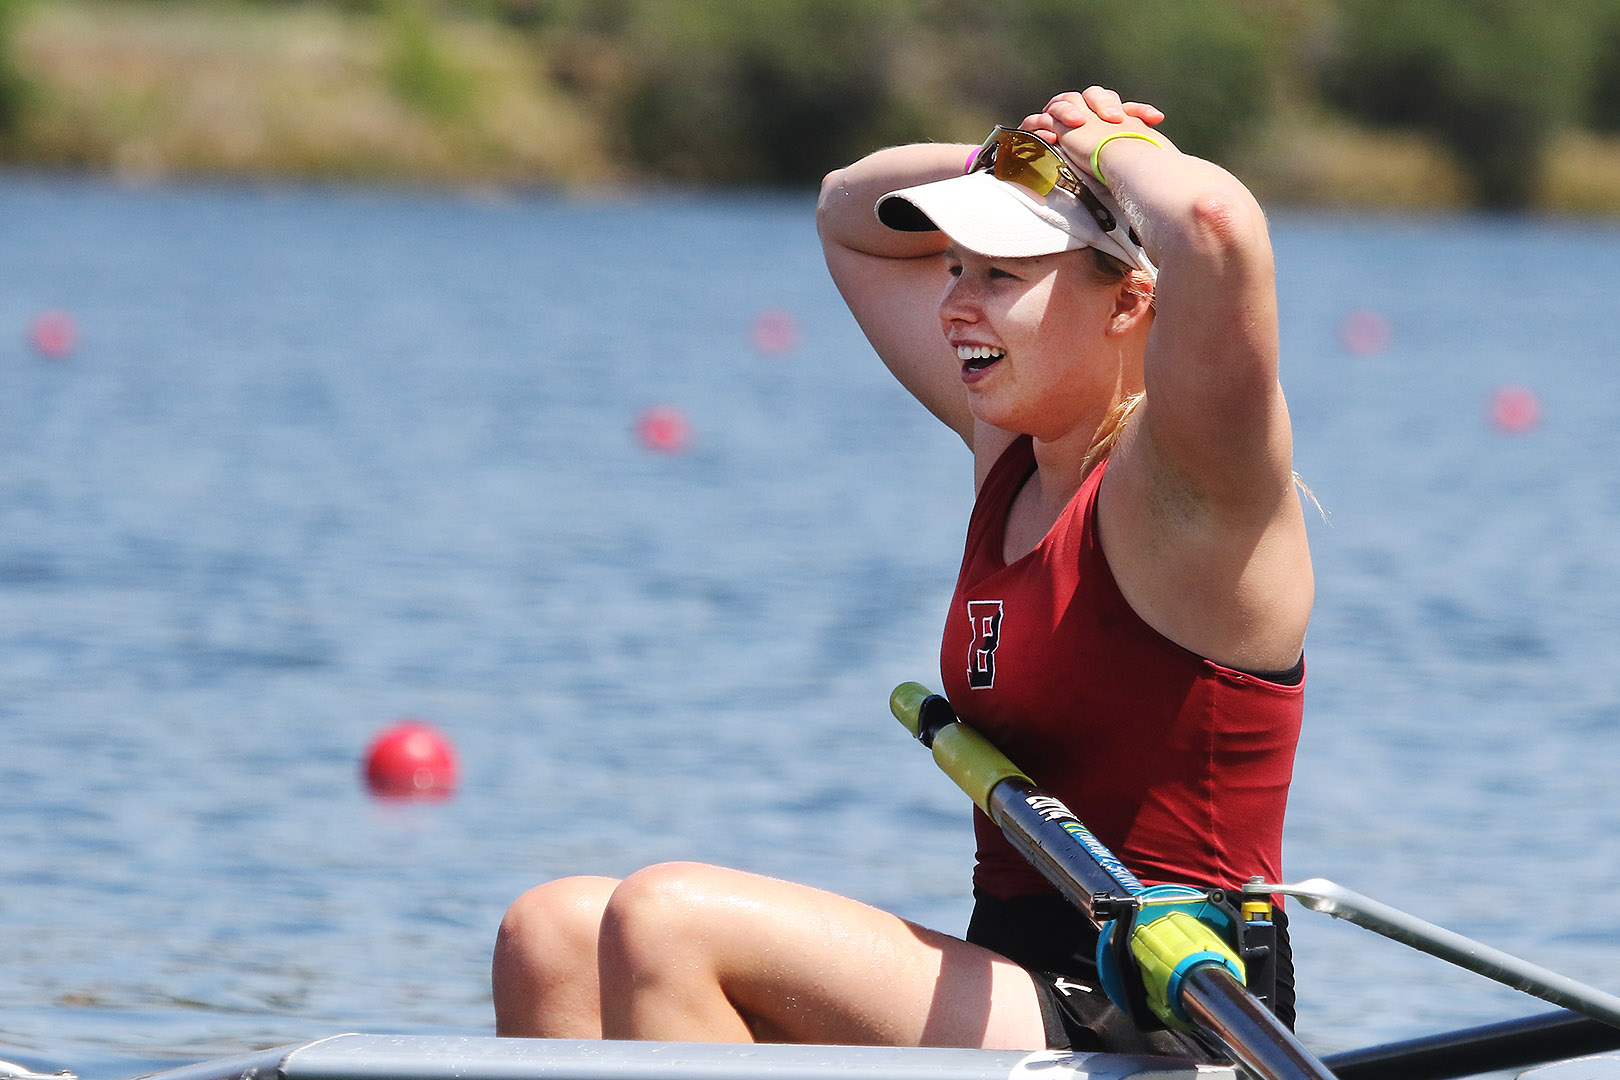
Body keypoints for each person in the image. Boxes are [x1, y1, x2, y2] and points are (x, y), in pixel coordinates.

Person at [491, 85, 1312, 1055]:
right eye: (956, 266)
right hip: (1020, 975)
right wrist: (1018, 155)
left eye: (1001, 274)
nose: (956, 304)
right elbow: (850, 214)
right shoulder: (1010, 445)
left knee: (668, 918)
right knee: (551, 934)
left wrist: (1113, 145)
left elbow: (1215, 225)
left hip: (1176, 1010)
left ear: (1132, 300)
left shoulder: (1194, 489)